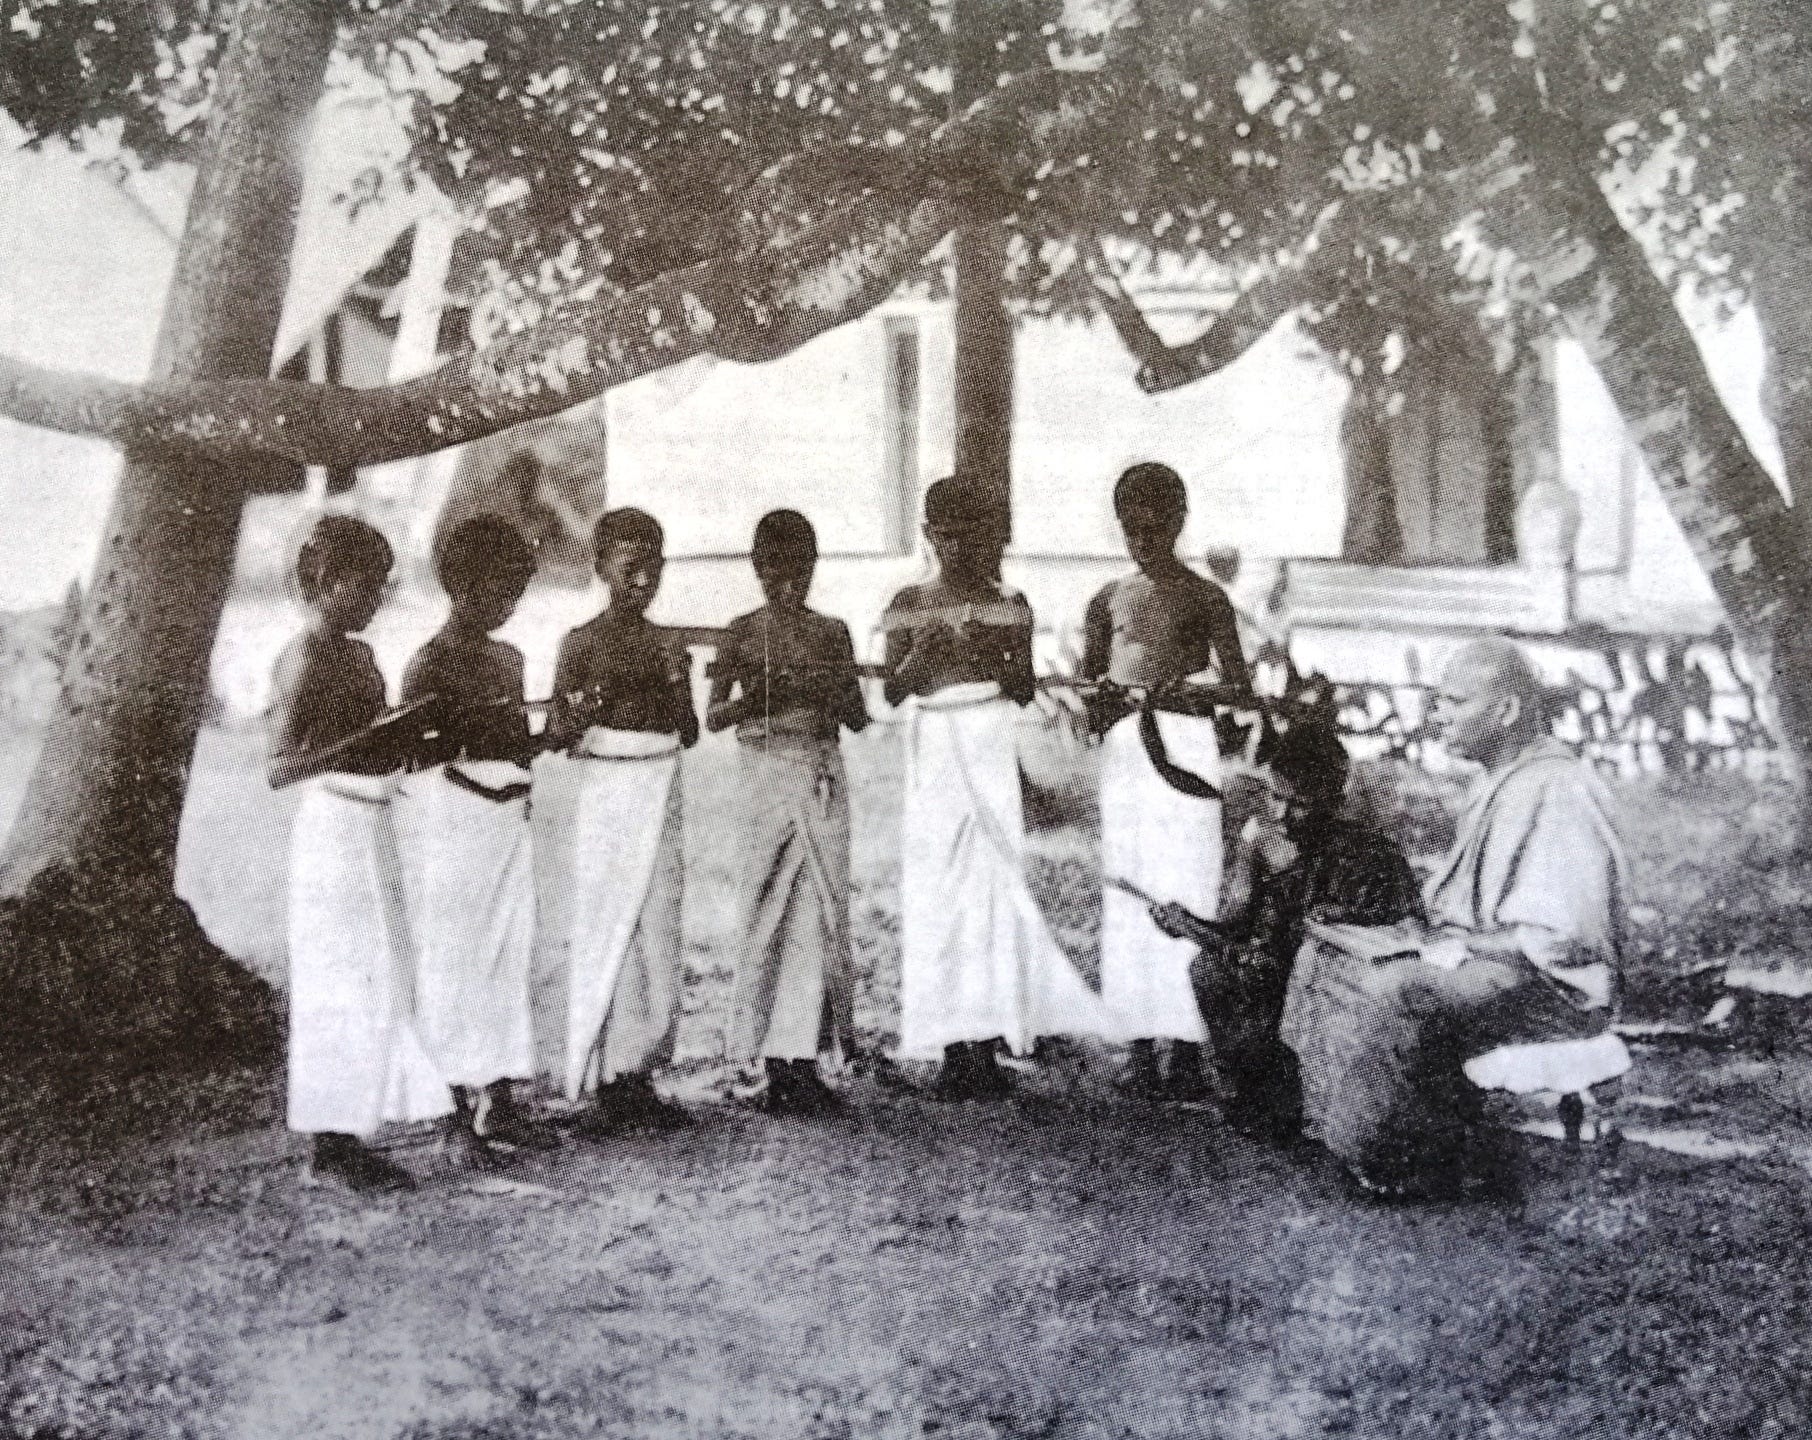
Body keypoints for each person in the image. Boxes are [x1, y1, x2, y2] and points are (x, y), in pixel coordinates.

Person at [1281, 639, 1631, 1200]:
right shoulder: (1499, 777)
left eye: (1455, 701)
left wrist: (1454, 946)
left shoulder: (1560, 786)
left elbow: (1568, 938)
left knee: (1391, 988)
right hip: (1489, 960)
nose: (1437, 714)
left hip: (1550, 985)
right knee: (1325, 957)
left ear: (1506, 710)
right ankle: (1340, 1134)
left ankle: (1404, 1164)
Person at [883, 476, 1115, 1100]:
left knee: (990, 884)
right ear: (928, 535)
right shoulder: (908, 601)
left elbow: (1022, 689)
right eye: (945, 536)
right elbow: (892, 692)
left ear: (987, 537)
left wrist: (991, 653)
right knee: (939, 888)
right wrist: (924, 652)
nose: (958, 548)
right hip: (935, 747)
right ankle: (949, 1043)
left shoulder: (1010, 604)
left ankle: (984, 1044)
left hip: (986, 740)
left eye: (970, 536)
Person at [267, 515, 449, 1193]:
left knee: (380, 972)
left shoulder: (362, 656)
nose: (374, 599)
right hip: (332, 830)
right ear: (322, 582)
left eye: (381, 586)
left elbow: (377, 735)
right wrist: (363, 742)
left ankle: (356, 1129)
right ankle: (330, 1145)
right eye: (363, 585)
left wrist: (415, 732)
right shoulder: (303, 658)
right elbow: (280, 767)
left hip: (373, 823)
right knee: (337, 980)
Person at [1150, 722, 1424, 1143]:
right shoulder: (1263, 837)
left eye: (1298, 805)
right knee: (1210, 968)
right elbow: (1236, 923)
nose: (1280, 814)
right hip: (1271, 970)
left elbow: (1379, 928)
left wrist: (1298, 880)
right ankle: (1253, 1094)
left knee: (1273, 975)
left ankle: (1297, 1102)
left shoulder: (1366, 851)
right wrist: (1187, 924)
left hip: (1329, 981)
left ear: (1334, 802)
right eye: (1275, 796)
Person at [1083, 461, 1253, 1100]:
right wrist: (1104, 701)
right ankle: (1137, 1047)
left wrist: (1188, 689)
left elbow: (1238, 686)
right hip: (1131, 752)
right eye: (1131, 530)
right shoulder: (1107, 598)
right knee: (1131, 885)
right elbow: (1091, 686)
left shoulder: (1207, 597)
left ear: (1179, 524)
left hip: (1185, 749)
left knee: (1188, 884)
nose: (1142, 541)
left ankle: (1182, 1048)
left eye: (1154, 529)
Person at [395, 515, 557, 1170]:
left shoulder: (508, 659)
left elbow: (517, 745)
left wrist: (556, 731)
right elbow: (413, 753)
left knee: (508, 956)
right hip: (454, 825)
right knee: (456, 964)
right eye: (499, 589)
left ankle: (501, 1098)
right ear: (460, 584)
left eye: (518, 590)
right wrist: (459, 741)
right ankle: (454, 1116)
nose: (509, 603)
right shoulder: (429, 663)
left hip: (507, 820)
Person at [707, 510, 870, 1114]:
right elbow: (713, 717)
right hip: (766, 776)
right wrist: (762, 695)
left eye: (799, 566)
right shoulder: (740, 632)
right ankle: (767, 1061)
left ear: (813, 566)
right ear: (756, 567)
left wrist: (824, 687)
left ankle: (803, 1061)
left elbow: (857, 716)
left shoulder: (832, 632)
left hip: (819, 770)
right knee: (767, 909)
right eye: (774, 566)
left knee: (817, 913)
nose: (788, 580)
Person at [548, 507, 699, 1135]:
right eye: (631, 566)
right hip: (607, 793)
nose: (643, 579)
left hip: (659, 784)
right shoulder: (580, 643)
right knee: (607, 925)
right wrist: (585, 709)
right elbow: (557, 733)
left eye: (654, 566)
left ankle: (638, 1074)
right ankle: (604, 1077)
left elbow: (689, 730)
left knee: (656, 924)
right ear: (601, 566)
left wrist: (676, 681)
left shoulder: (666, 642)